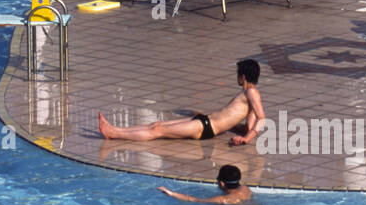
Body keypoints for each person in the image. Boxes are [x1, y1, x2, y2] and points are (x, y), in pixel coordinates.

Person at [99, 59, 266, 145]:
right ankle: (115, 130)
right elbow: (247, 124)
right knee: (158, 124)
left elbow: (262, 118)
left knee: (158, 130)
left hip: (206, 128)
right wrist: (240, 130)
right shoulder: (248, 94)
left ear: (242, 76)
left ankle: (114, 134)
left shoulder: (251, 92)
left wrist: (247, 139)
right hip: (205, 121)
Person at [158, 165, 252, 204]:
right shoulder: (245, 189)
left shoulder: (222, 199)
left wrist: (171, 193)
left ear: (222, 183)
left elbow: (194, 200)